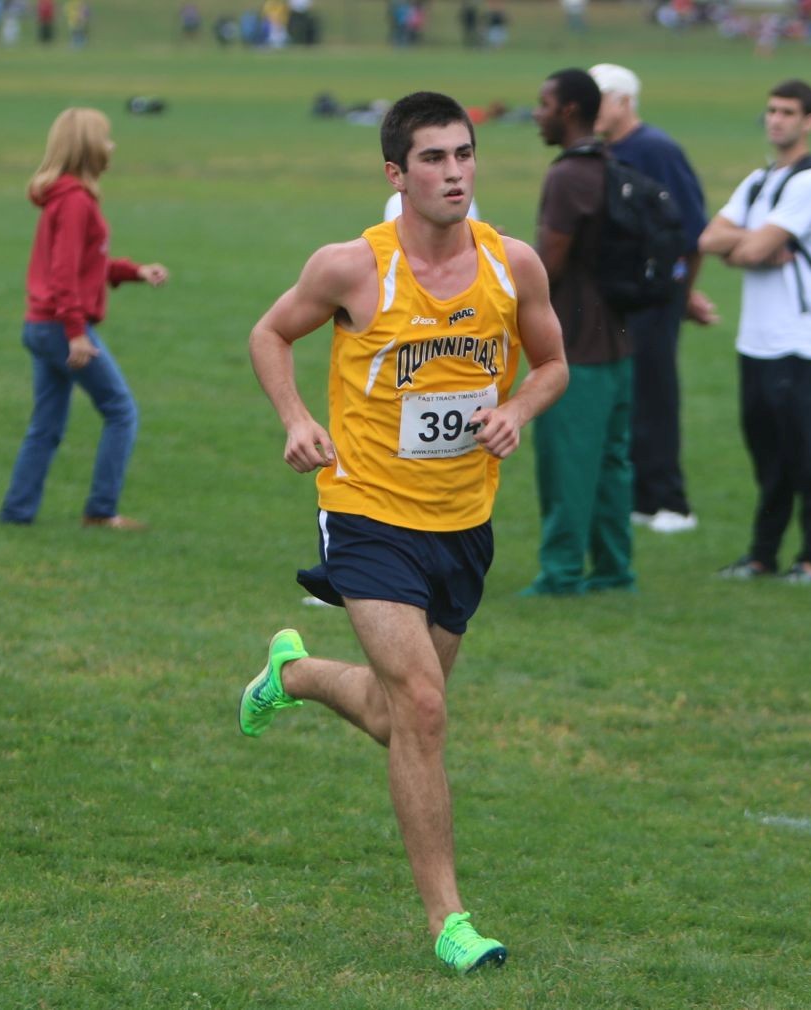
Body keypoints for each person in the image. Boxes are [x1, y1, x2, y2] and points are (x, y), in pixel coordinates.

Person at [242, 91, 567, 973]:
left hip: (464, 521)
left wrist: (519, 409)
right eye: (433, 159)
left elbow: (555, 364)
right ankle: (449, 921)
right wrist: (295, 418)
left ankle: (296, 672)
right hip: (366, 511)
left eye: (464, 155)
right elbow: (271, 333)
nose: (455, 172)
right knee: (424, 708)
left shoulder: (515, 266)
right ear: (396, 173)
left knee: (398, 716)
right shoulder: (353, 267)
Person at [0, 108, 168, 531]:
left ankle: (17, 514)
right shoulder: (74, 202)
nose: (112, 146)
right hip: (61, 327)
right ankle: (101, 510)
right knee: (121, 410)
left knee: (46, 425)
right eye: (107, 139)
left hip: (41, 325)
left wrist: (134, 271)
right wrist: (76, 334)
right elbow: (63, 275)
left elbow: (86, 264)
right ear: (89, 148)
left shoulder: (67, 197)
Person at [698, 79, 811, 584]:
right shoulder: (759, 180)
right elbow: (710, 237)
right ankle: (761, 556)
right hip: (754, 342)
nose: (776, 119)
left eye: (788, 112)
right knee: (768, 457)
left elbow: (748, 251)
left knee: (809, 458)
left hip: (796, 341)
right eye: (772, 110)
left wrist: (746, 246)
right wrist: (751, 242)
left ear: (810, 121)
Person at [588, 64, 718, 535]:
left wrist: (681, 294)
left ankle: (672, 501)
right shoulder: (602, 151)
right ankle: (640, 497)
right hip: (620, 298)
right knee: (628, 394)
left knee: (656, 393)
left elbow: (691, 231)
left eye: (599, 98)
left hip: (655, 297)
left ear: (624, 101)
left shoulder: (656, 150)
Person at [524, 68, 634, 596]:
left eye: (544, 104)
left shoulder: (568, 175)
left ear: (569, 111)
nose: (537, 113)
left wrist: (506, 257)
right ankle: (615, 571)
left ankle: (561, 573)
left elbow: (550, 267)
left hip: (576, 352)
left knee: (566, 467)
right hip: (617, 343)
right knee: (612, 466)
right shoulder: (611, 163)